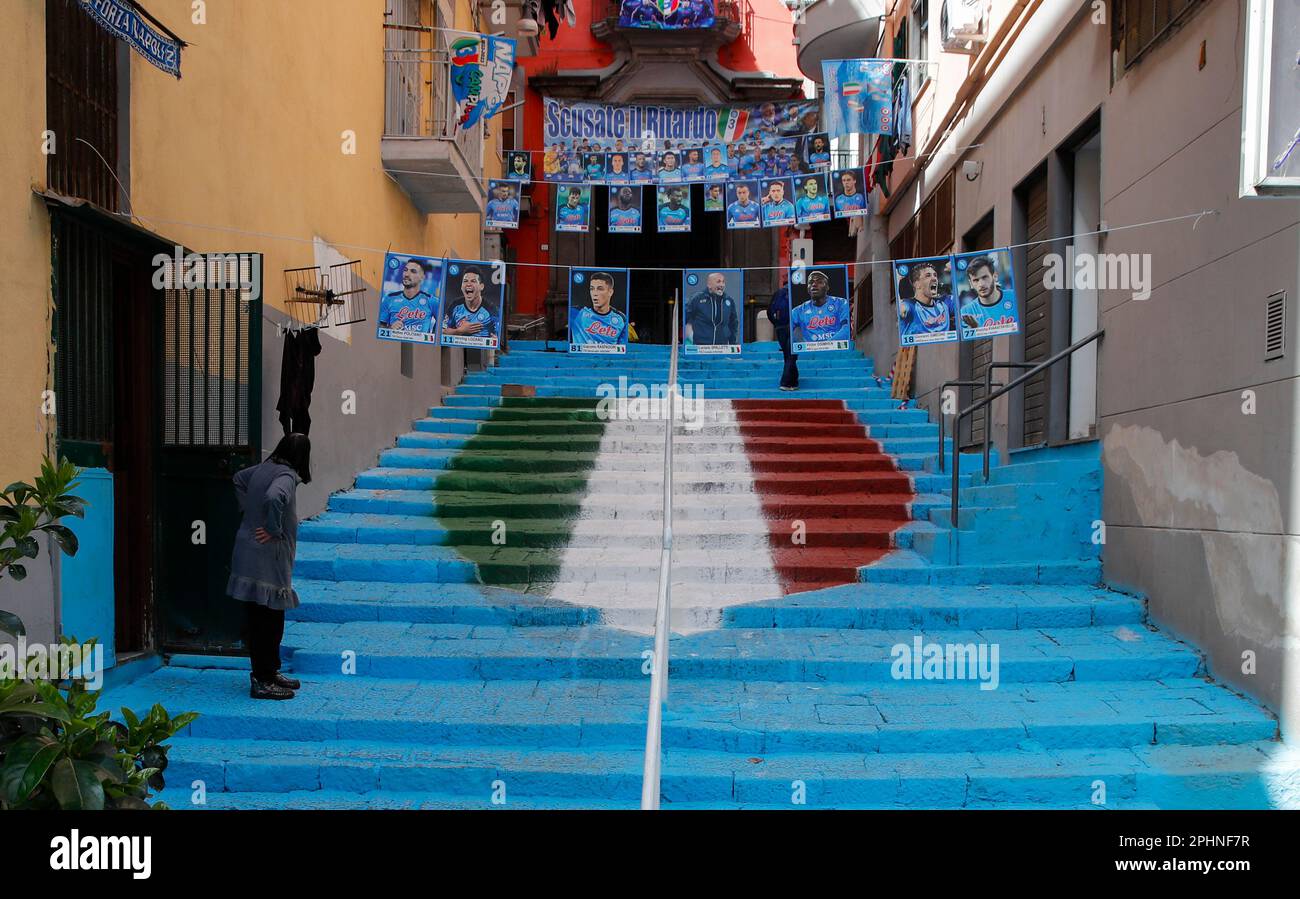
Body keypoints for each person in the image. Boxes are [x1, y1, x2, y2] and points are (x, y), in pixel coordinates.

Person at [228, 434, 311, 700]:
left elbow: (238, 479)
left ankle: (269, 672)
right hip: (267, 557)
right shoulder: (286, 476)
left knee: (261, 616)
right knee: (269, 619)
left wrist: (250, 514)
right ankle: (262, 680)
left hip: (248, 550)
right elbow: (275, 497)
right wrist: (273, 528)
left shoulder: (264, 468)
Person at [899, 261, 959, 343]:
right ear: (917, 284)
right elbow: (902, 309)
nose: (934, 278)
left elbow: (964, 305)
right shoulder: (909, 305)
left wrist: (956, 268)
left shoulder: (945, 302)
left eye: (935, 275)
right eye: (928, 276)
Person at [791, 270, 851, 345]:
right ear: (808, 288)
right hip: (810, 352)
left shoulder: (841, 303)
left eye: (819, 282)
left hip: (836, 350)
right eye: (811, 282)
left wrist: (826, 345)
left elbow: (846, 329)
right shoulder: (797, 311)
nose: (814, 284)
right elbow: (787, 331)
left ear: (827, 287)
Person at [959, 255, 1018, 332]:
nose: (981, 284)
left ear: (995, 276)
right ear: (971, 284)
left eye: (984, 277)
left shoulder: (1014, 296)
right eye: (976, 280)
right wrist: (975, 328)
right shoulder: (966, 311)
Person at [378, 257, 435, 336]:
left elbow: (442, 324)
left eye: (413, 271)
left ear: (422, 277)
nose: (407, 274)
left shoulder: (431, 301)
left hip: (420, 347)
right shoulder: (389, 299)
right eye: (405, 270)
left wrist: (432, 338)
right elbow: (380, 328)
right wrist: (390, 329)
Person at [570, 272, 628, 347]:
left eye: (600, 289)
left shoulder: (621, 319)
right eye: (592, 289)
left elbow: (622, 348)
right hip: (582, 357)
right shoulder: (577, 313)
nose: (595, 293)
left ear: (610, 292)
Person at [684, 271, 740, 347]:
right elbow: (685, 318)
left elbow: (733, 324)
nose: (722, 285)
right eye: (718, 282)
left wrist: (732, 344)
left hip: (722, 348)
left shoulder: (729, 300)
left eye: (723, 282)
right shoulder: (697, 299)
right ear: (709, 285)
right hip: (700, 347)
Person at [442, 265, 496, 342]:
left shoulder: (491, 310)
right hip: (458, 350)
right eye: (465, 281)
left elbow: (497, 338)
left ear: (481, 286)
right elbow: (442, 331)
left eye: (473, 281)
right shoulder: (455, 305)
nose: (468, 284)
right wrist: (460, 331)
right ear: (461, 286)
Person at [768, 280, 797, 390]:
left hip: (780, 328)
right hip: (794, 328)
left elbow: (769, 311)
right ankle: (785, 382)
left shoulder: (778, 294)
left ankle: (794, 381)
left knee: (788, 354)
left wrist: (776, 324)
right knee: (792, 355)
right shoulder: (797, 293)